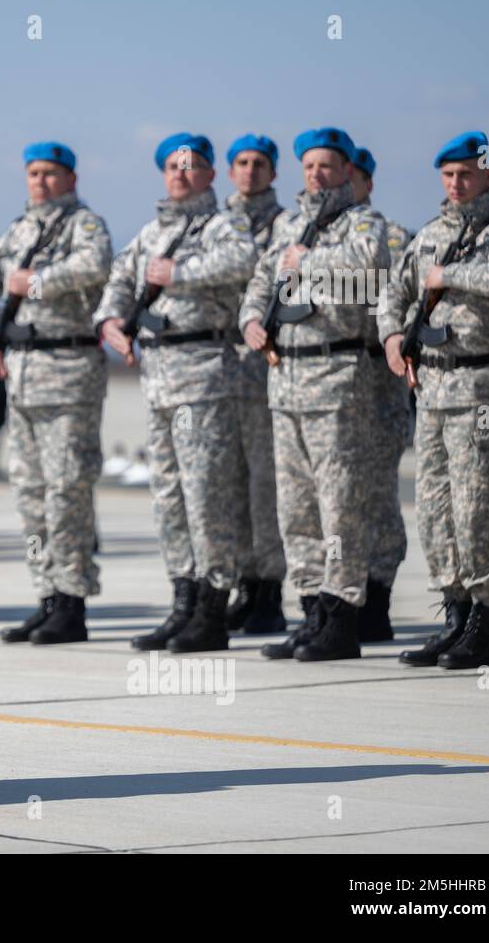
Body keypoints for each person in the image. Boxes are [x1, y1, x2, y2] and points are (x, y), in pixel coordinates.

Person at [99, 132, 257, 652]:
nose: (180, 175)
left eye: (190, 167)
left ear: (212, 174)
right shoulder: (150, 233)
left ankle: (213, 607)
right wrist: (111, 324)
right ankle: (183, 600)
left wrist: (180, 272)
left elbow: (243, 260)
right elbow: (119, 282)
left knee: (207, 495)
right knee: (169, 497)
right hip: (159, 376)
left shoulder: (223, 224)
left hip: (206, 373)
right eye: (171, 166)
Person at [381, 131, 489, 669]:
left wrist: (448, 275)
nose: (455, 183)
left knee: (478, 509)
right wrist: (392, 339)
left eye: (465, 174)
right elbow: (392, 293)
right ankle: (454, 613)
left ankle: (484, 624)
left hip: (481, 389)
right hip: (432, 388)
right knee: (436, 511)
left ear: (488, 176)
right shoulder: (428, 235)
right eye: (447, 175)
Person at [240, 127, 388, 661]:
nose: (316, 175)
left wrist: (307, 264)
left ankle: (343, 616)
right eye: (308, 166)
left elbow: (366, 273)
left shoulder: (363, 222)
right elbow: (262, 278)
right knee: (296, 507)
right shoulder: (290, 223)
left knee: (339, 505)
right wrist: (251, 318)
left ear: (348, 171)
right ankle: (311, 613)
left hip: (336, 378)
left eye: (327, 166)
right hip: (286, 380)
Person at [0, 142, 112, 644]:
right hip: (21, 376)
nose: (41, 182)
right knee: (29, 494)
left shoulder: (83, 224)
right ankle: (45, 594)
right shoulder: (19, 229)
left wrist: (39, 282)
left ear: (71, 178)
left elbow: (96, 265)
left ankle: (72, 601)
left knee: (67, 489)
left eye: (51, 174)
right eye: (33, 173)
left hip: (68, 372)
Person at [222, 134, 289, 634]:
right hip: (214, 374)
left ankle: (269, 589)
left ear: (273, 172)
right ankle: (244, 582)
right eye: (241, 163)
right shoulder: (211, 225)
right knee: (229, 488)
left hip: (264, 370)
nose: (250, 171)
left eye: (259, 164)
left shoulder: (286, 226)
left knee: (266, 486)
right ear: (229, 172)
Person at [349, 146, 410, 643]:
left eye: (355, 179)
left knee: (378, 496)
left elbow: (388, 298)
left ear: (367, 182)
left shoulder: (392, 237)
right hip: (333, 390)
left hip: (379, 385)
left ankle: (379, 593)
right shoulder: (316, 237)